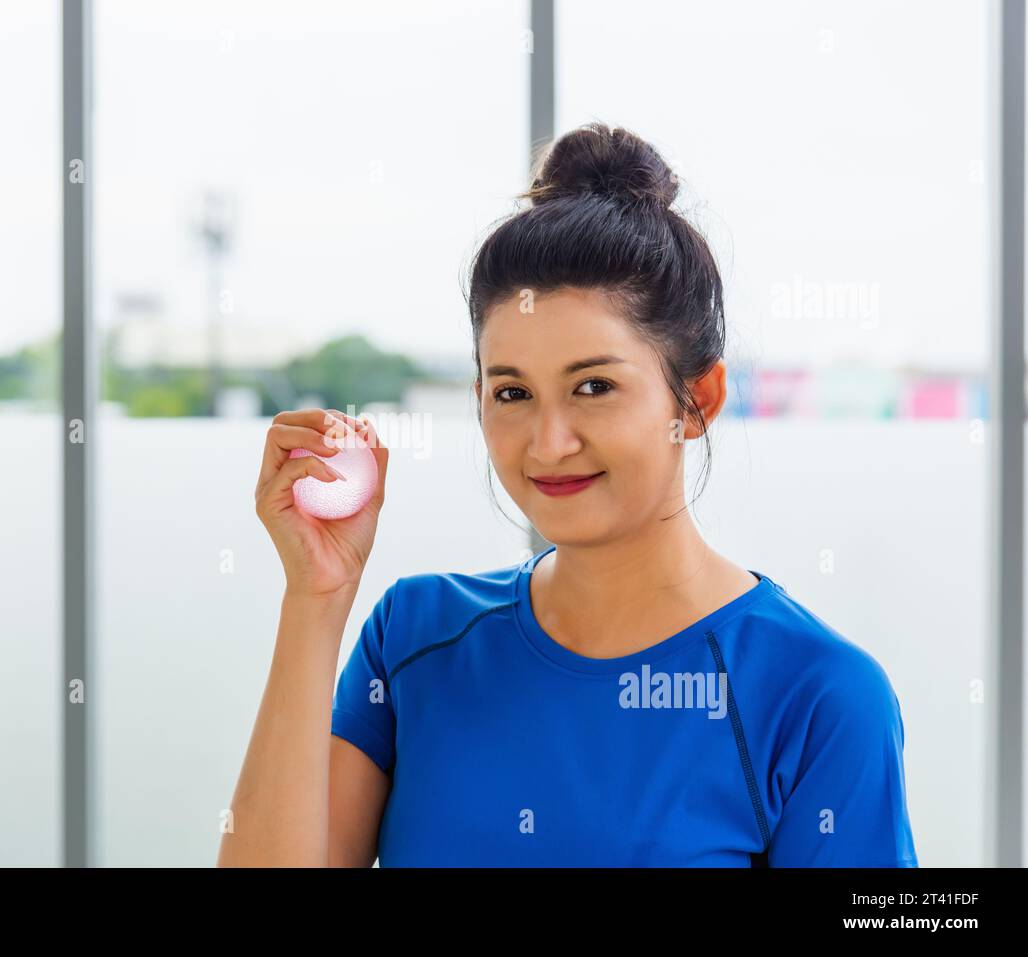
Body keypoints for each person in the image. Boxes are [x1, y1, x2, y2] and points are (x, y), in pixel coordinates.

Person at [217, 121, 918, 867]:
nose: (548, 442)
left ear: (697, 399)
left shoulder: (818, 697)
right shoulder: (413, 641)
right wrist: (315, 599)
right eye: (512, 391)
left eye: (594, 386)